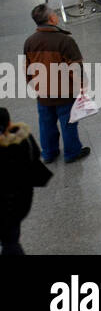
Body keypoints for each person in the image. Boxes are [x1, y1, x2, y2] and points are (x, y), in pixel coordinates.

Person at [23, 4, 91, 165]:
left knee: (46, 124)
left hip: (43, 93)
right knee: (68, 123)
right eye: (54, 13)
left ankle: (48, 153)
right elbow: (76, 66)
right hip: (65, 93)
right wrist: (82, 85)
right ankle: (72, 153)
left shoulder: (30, 42)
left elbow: (26, 68)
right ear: (52, 19)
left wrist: (34, 86)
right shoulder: (65, 40)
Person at [0, 105, 51, 255]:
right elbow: (34, 157)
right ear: (9, 124)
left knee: (9, 242)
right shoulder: (22, 139)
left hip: (7, 206)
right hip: (17, 204)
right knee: (11, 239)